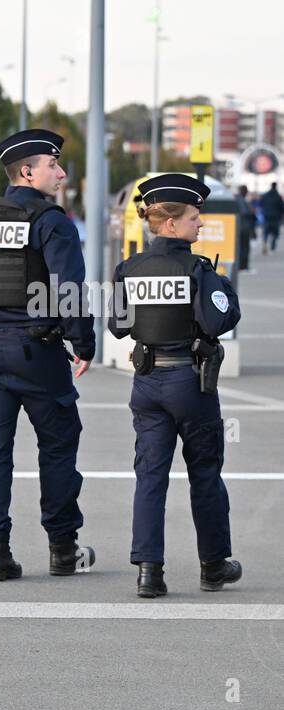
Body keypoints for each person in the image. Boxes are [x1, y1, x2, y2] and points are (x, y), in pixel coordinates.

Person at [0, 128, 96, 581]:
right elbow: (68, 290)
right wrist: (83, 344)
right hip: (40, 352)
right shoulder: (52, 223)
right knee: (57, 448)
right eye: (54, 166)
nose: (62, 173)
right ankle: (63, 549)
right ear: (28, 171)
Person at [109, 174, 242, 598]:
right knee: (204, 473)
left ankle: (149, 571)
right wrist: (220, 286)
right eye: (193, 216)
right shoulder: (197, 269)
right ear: (170, 224)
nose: (200, 223)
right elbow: (220, 320)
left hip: (146, 383)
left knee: (150, 476)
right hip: (190, 383)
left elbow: (117, 326)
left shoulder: (128, 269)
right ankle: (213, 566)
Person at [235, 185, 254, 274]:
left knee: (242, 247)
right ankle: (243, 266)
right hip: (243, 227)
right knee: (244, 247)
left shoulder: (238, 199)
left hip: (242, 227)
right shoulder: (240, 200)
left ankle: (242, 266)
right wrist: (251, 210)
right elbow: (244, 212)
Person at [260, 181, 282, 254]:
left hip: (267, 216)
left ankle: (265, 243)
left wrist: (265, 211)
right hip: (275, 217)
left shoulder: (266, 195)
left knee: (266, 232)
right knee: (275, 233)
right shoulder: (278, 196)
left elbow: (261, 204)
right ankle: (272, 247)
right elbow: (282, 207)